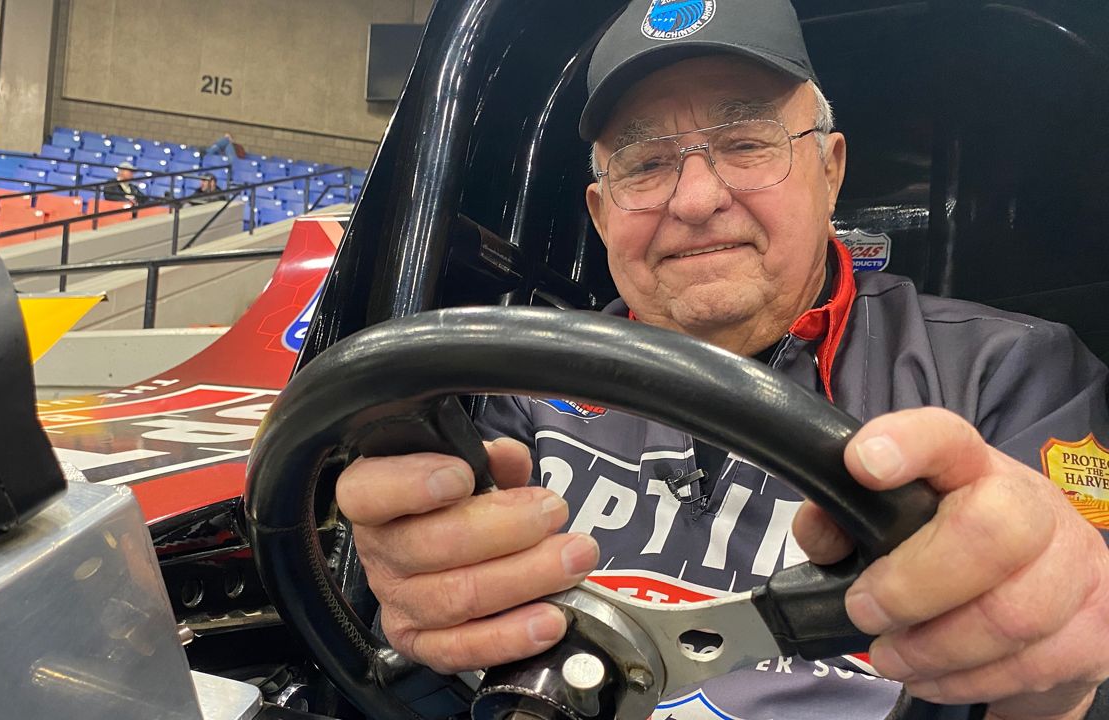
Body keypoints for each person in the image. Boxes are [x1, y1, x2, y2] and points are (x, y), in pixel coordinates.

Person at [334, 0, 1109, 718]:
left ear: (830, 169)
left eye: (746, 143)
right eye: (644, 165)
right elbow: (432, 640)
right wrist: (410, 595)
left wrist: (1064, 638)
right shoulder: (523, 386)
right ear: (602, 214)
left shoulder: (1007, 367)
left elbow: (1063, 653)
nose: (697, 197)